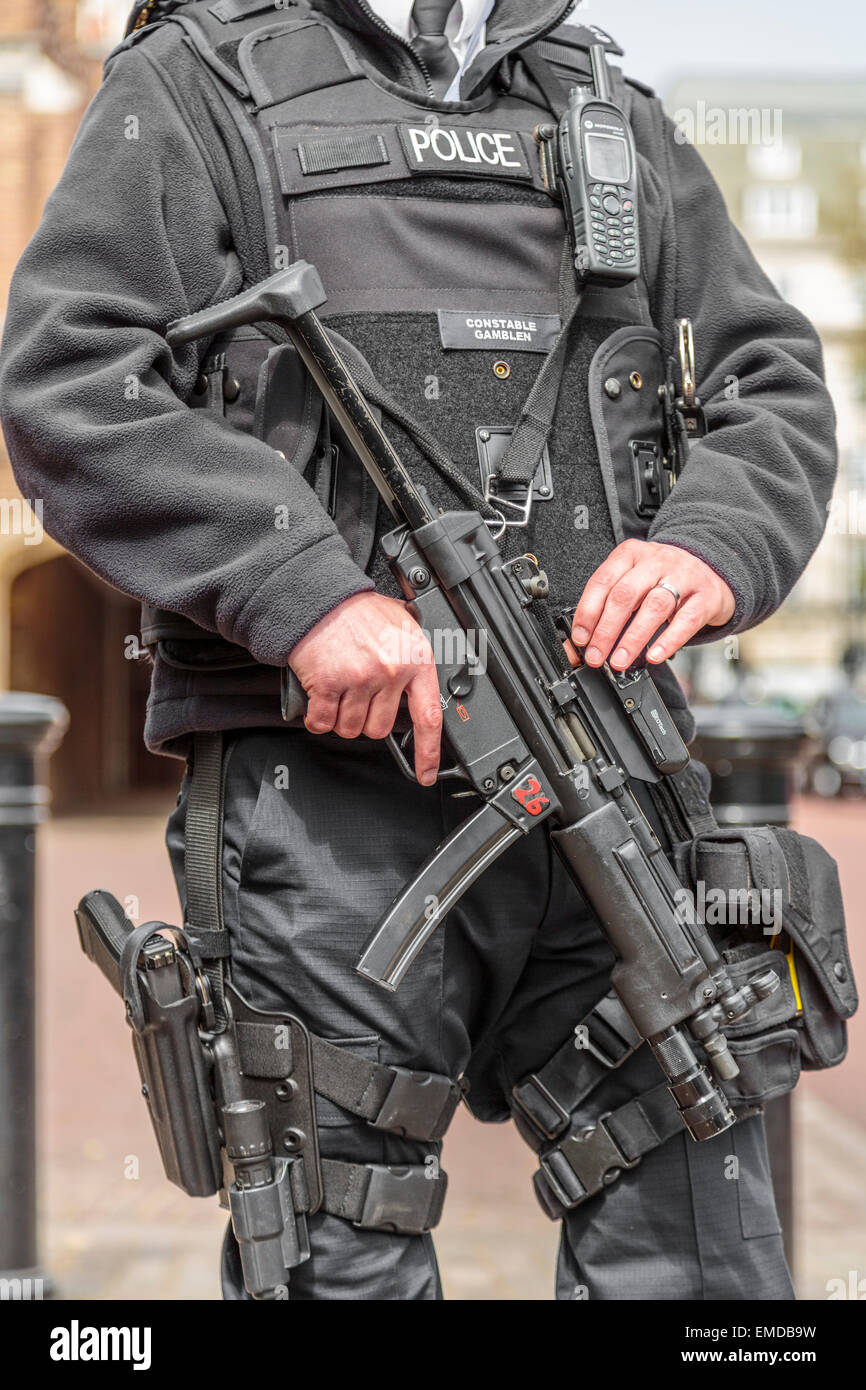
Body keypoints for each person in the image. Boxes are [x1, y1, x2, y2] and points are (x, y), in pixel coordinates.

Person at [0, 0, 837, 1300]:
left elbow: (766, 375)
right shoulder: (198, 79)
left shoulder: (595, 99)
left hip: (609, 780)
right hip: (327, 812)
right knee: (337, 1258)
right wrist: (301, 589)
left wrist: (712, 539)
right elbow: (69, 379)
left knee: (702, 1261)